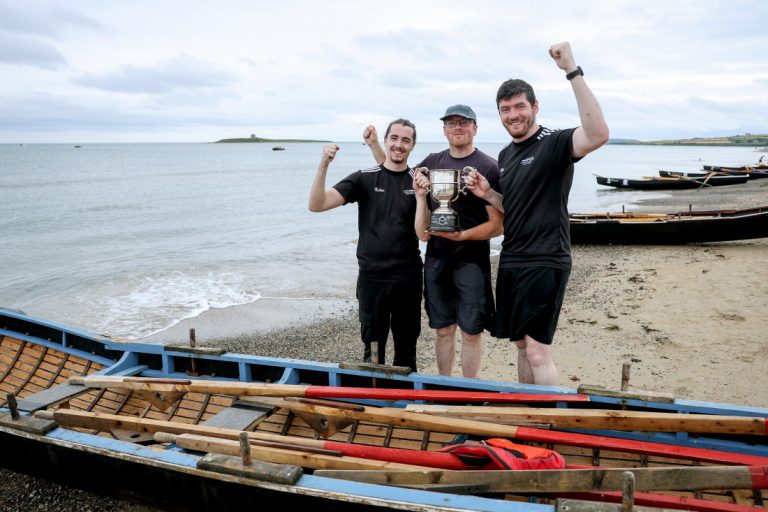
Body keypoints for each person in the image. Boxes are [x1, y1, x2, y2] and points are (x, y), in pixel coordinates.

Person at [465, 42, 609, 386]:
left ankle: (549, 425)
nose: (513, 114)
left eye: (519, 106)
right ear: (499, 115)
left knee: (537, 350)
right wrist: (488, 194)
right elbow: (513, 206)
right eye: (505, 109)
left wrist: (571, 70)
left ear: (535, 107)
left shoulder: (554, 142)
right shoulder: (505, 155)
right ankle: (529, 410)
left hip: (546, 258)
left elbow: (598, 134)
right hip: (513, 258)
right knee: (519, 343)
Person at [365, 105, 502, 378]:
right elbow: (394, 172)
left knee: (471, 331)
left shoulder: (488, 166)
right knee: (443, 330)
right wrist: (373, 146)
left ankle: (469, 391)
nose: (458, 127)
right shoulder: (431, 161)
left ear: (475, 128)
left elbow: (497, 226)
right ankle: (443, 386)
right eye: (451, 123)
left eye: (464, 122)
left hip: (471, 262)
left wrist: (462, 235)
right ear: (444, 130)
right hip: (437, 259)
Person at [308, 119, 422, 371]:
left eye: (406, 140)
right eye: (394, 138)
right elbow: (316, 204)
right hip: (373, 279)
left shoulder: (419, 182)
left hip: (408, 278)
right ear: (386, 140)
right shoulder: (364, 179)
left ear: (413, 145)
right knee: (373, 351)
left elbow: (425, 231)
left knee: (406, 349)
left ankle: (404, 405)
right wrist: (323, 165)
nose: (399, 145)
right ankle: (374, 398)